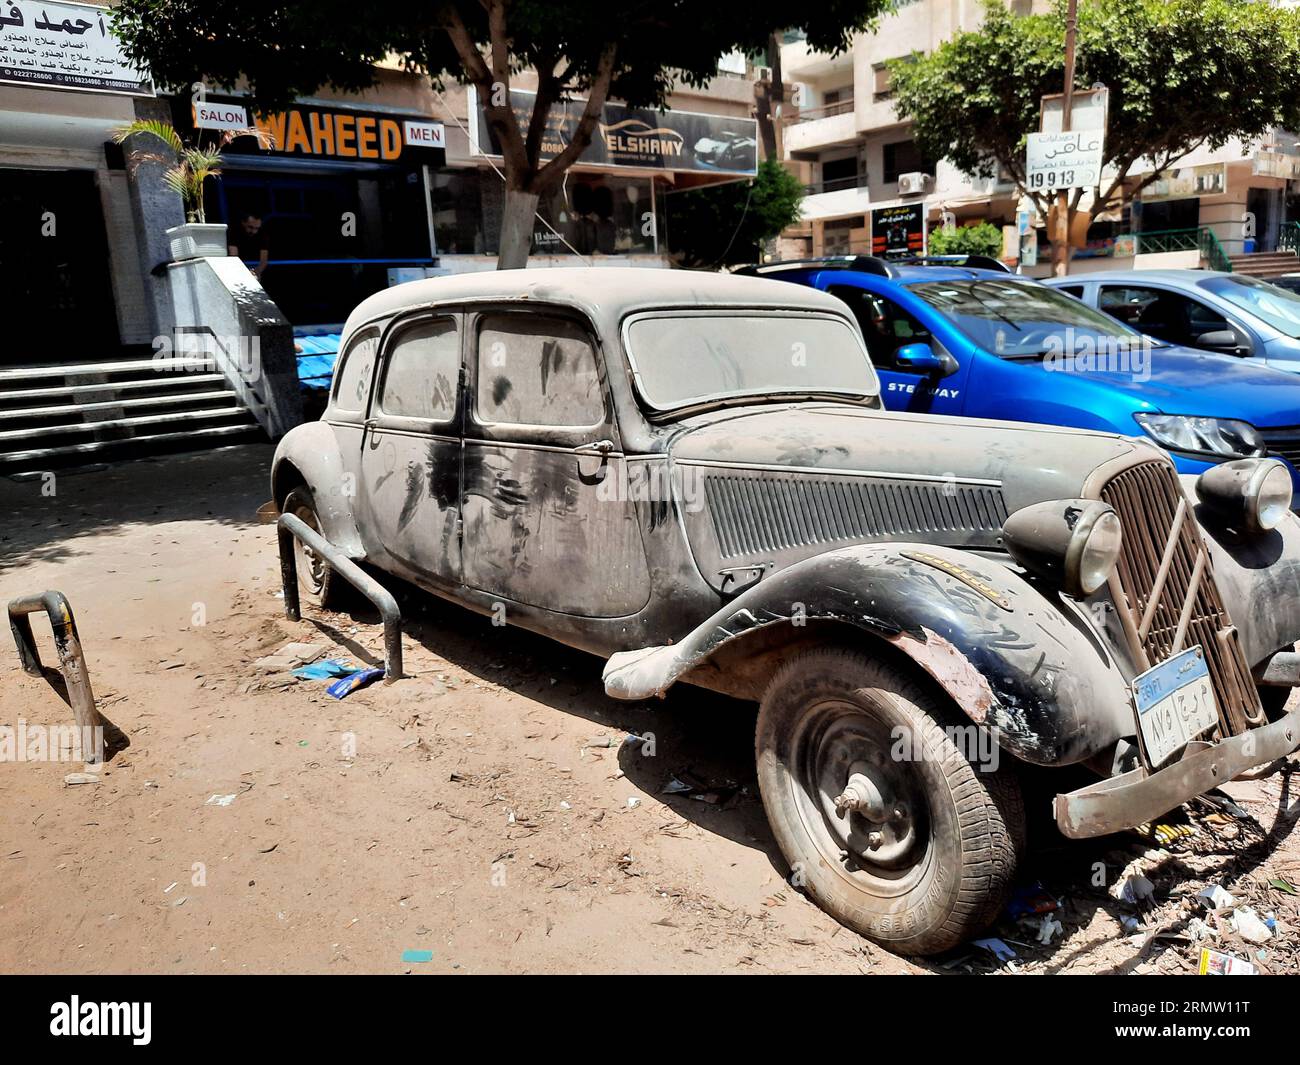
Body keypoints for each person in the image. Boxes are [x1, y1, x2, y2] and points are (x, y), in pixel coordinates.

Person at [226, 212, 269, 280]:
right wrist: (244, 274)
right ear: (243, 223)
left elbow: (263, 261)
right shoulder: (234, 233)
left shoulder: (262, 235)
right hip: (236, 267)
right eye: (250, 227)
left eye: (256, 228)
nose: (254, 231)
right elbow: (234, 257)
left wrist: (256, 272)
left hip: (253, 267)